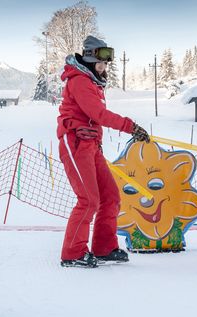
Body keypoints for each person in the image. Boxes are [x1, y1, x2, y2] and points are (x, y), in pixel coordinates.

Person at [57, 35, 150, 268]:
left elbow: (94, 117)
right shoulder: (79, 80)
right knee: (88, 200)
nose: (104, 67)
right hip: (75, 143)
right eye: (101, 63)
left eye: (106, 64)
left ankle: (104, 248)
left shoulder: (92, 82)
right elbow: (98, 114)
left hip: (91, 146)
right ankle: (73, 253)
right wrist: (130, 126)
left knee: (110, 197)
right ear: (90, 60)